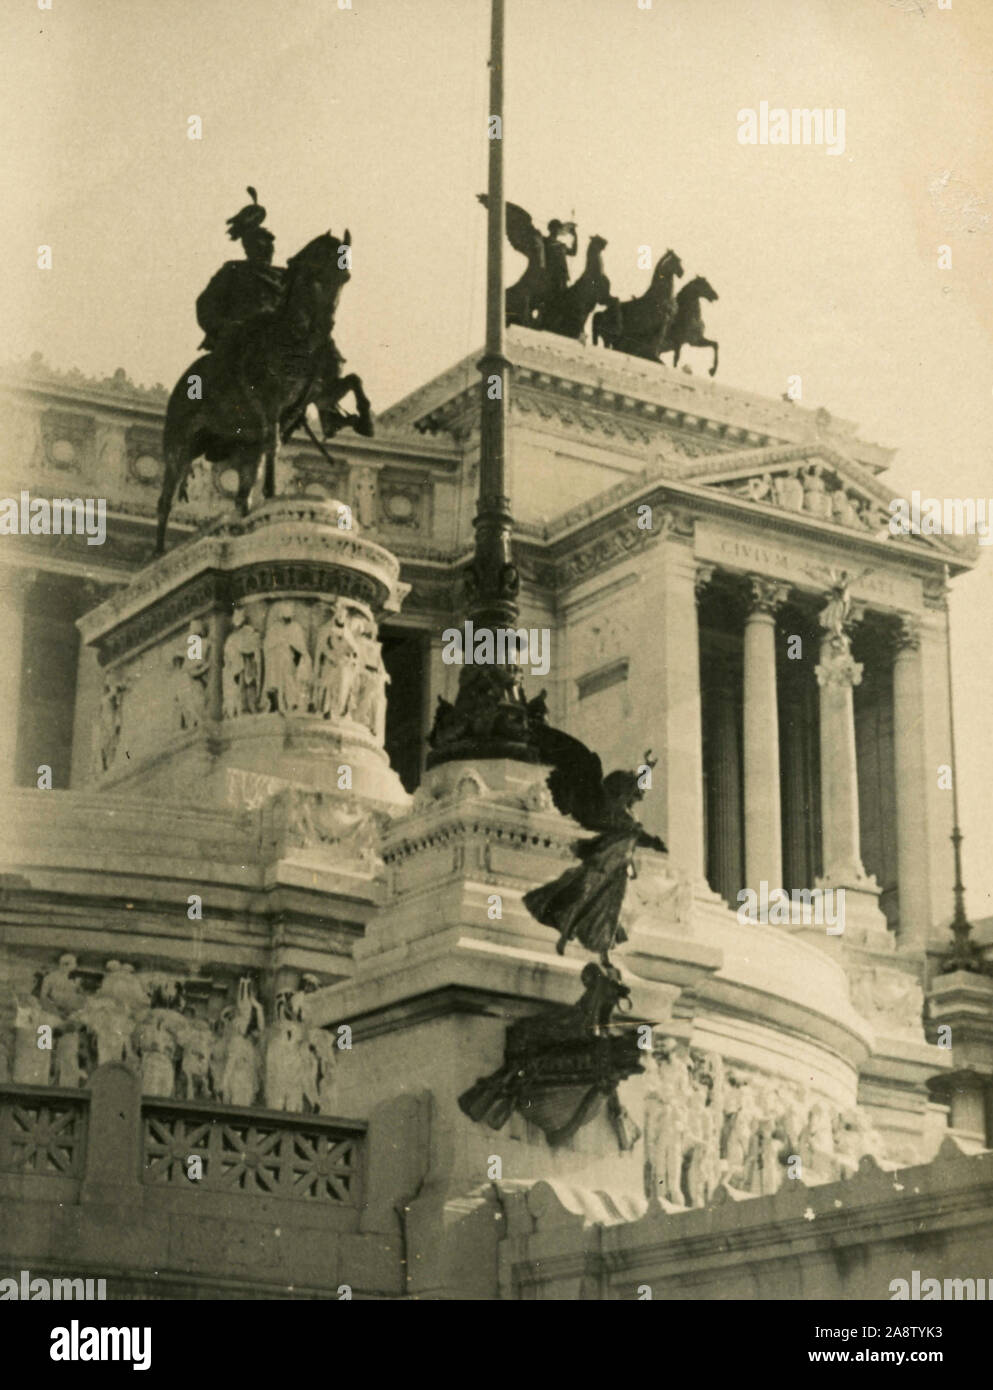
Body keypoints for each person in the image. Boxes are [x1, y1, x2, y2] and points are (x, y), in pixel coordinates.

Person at [195, 187, 287, 353]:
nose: (267, 251)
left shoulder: (285, 276)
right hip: (237, 343)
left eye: (269, 247)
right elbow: (206, 305)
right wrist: (224, 327)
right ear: (248, 248)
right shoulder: (233, 271)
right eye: (258, 246)